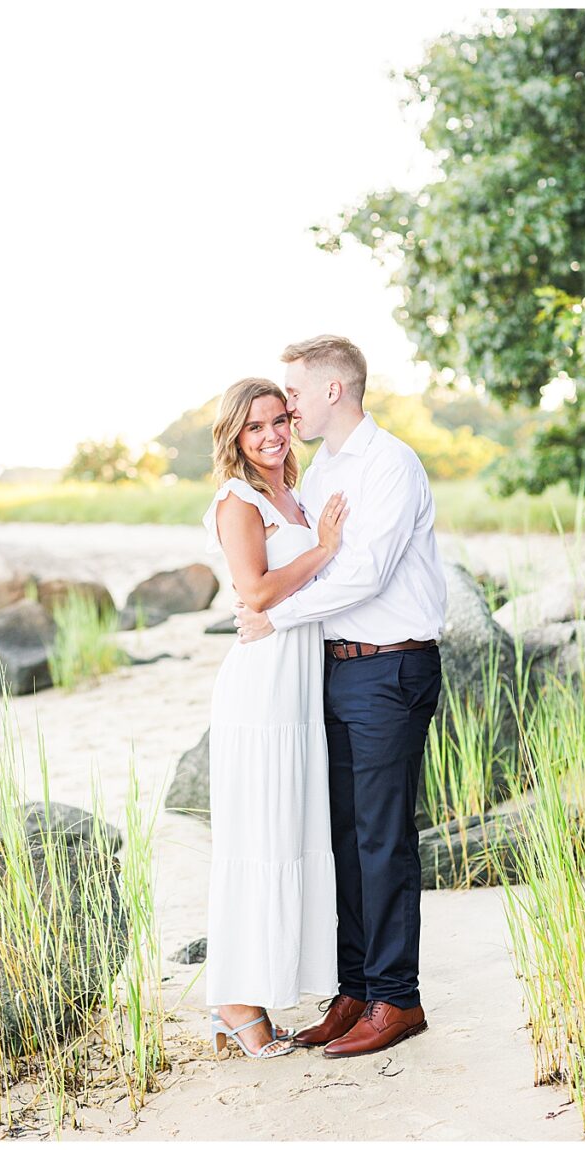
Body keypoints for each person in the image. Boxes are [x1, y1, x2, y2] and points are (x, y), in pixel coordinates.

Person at [235, 334, 447, 1059]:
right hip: (336, 668)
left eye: (293, 393)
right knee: (346, 840)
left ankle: (398, 998)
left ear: (334, 390)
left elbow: (365, 576)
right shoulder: (319, 471)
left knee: (384, 839)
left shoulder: (390, 464)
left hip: (391, 668)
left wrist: (272, 616)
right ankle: (355, 988)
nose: (286, 407)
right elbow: (311, 565)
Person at [204, 377, 349, 1058]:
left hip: (296, 689)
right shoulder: (237, 499)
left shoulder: (292, 493)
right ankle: (235, 1000)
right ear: (235, 436)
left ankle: (260, 989)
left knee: (287, 835)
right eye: (255, 427)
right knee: (258, 839)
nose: (270, 436)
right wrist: (322, 550)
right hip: (261, 690)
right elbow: (255, 591)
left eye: (279, 422)